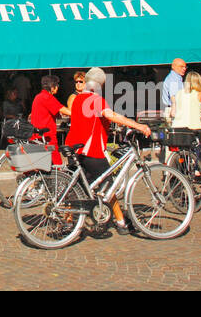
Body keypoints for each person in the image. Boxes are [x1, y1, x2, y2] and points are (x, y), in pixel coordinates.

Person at [65, 67, 152, 235]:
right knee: (108, 185)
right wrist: (138, 125)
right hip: (91, 149)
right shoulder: (96, 99)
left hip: (75, 147)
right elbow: (112, 115)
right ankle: (121, 223)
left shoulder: (77, 100)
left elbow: (91, 120)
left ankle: (69, 221)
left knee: (76, 187)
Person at [29, 75, 71, 160]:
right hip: (47, 136)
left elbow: (54, 111)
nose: (58, 88)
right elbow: (64, 110)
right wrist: (81, 114)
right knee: (57, 164)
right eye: (57, 85)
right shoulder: (47, 97)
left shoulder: (39, 96)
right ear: (52, 87)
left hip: (38, 135)